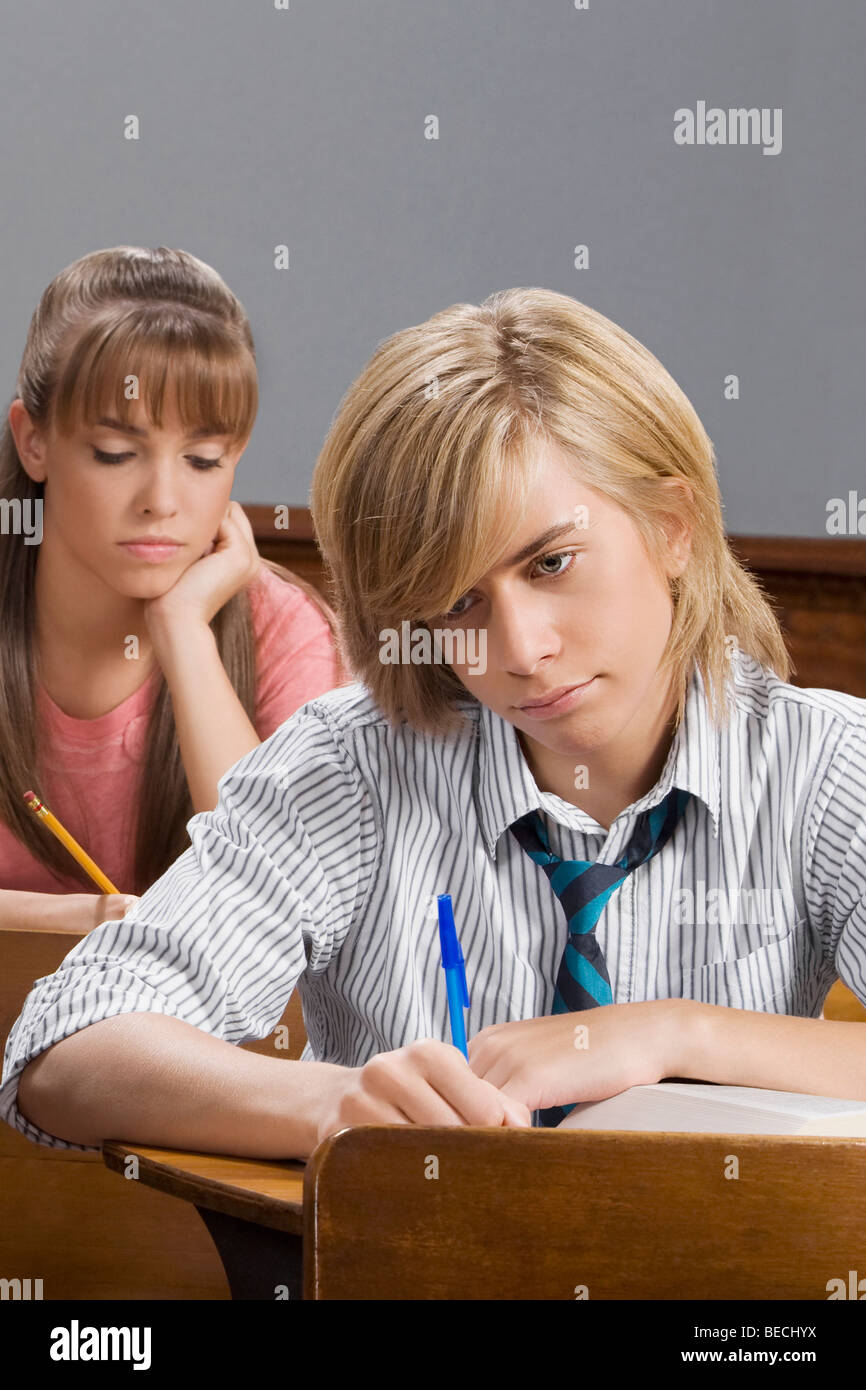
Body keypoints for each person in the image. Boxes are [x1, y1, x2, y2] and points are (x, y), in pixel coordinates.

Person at [2, 287, 865, 1159]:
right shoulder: (349, 765)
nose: (521, 649)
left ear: (672, 528)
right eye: (457, 602)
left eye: (553, 563)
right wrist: (336, 1104)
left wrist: (683, 1036)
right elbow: (67, 1049)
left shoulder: (827, 764)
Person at [0, 245, 347, 932]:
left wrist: (185, 629)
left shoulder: (288, 632)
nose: (162, 500)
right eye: (116, 454)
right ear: (32, 440)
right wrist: (73, 919)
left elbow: (285, 902)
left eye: (202, 460)